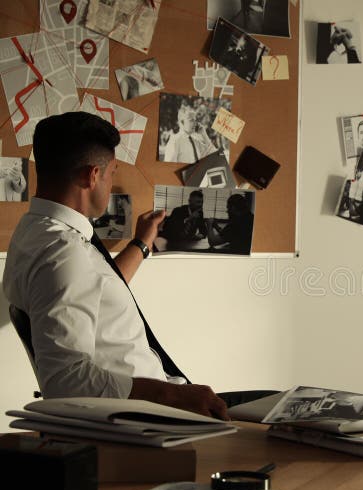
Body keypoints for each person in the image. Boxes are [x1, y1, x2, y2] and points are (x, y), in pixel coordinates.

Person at [2, 112, 270, 419]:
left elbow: (95, 287)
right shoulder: (64, 253)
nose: (110, 182)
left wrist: (141, 244)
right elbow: (65, 381)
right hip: (152, 413)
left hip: (158, 400)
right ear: (92, 176)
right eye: (111, 173)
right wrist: (174, 395)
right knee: (291, 408)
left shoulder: (34, 231)